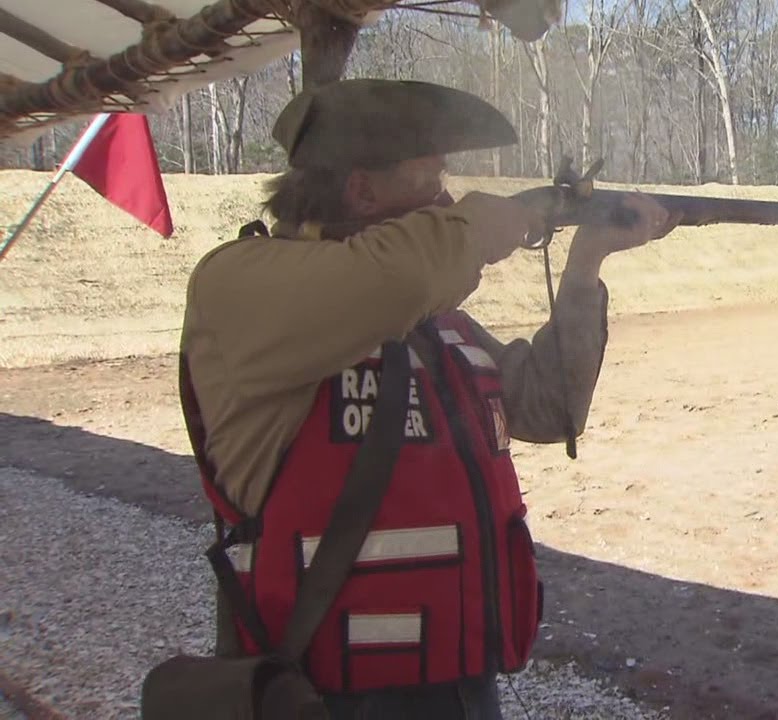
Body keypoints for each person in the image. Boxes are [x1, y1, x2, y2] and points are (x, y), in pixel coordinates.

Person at [177, 78, 677, 718]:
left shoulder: (429, 320)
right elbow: (399, 272)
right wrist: (506, 218)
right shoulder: (240, 283)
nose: (445, 199)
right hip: (324, 690)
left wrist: (585, 265)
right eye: (429, 181)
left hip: (461, 679)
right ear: (362, 189)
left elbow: (546, 409)